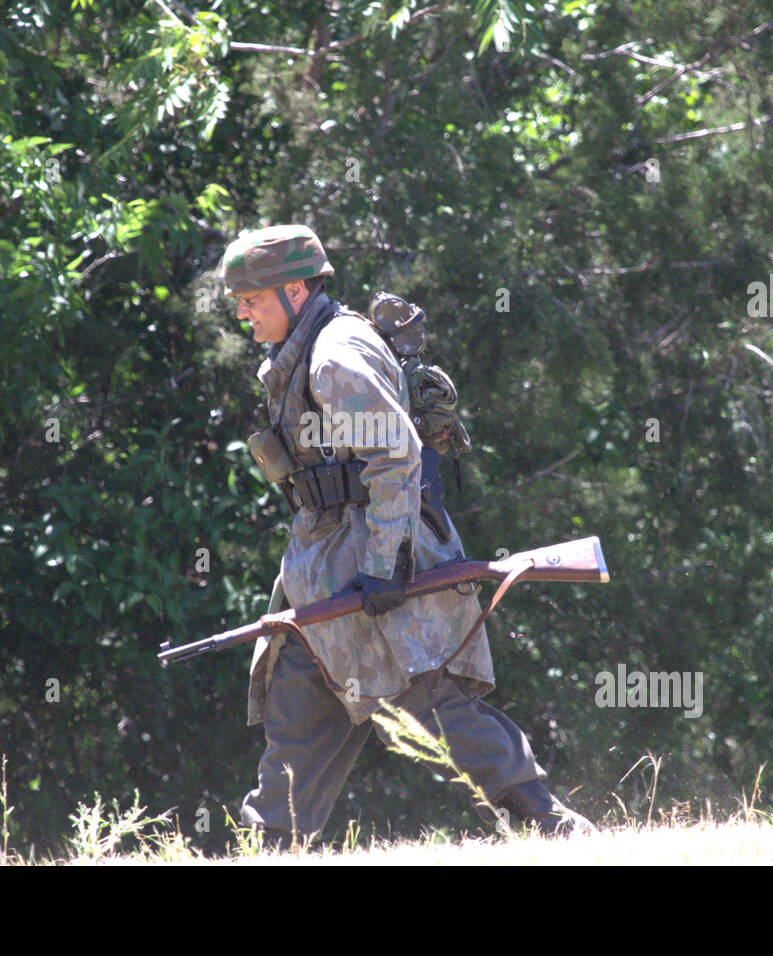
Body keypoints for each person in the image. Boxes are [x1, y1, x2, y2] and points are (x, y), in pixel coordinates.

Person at [218, 223, 590, 847]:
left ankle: (553, 828)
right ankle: (269, 849)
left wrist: (386, 565)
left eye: (252, 296)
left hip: (372, 569)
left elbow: (395, 458)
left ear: (296, 289)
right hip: (320, 578)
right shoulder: (302, 353)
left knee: (431, 710)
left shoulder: (335, 356)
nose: (242, 310)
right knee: (296, 718)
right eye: (239, 299)